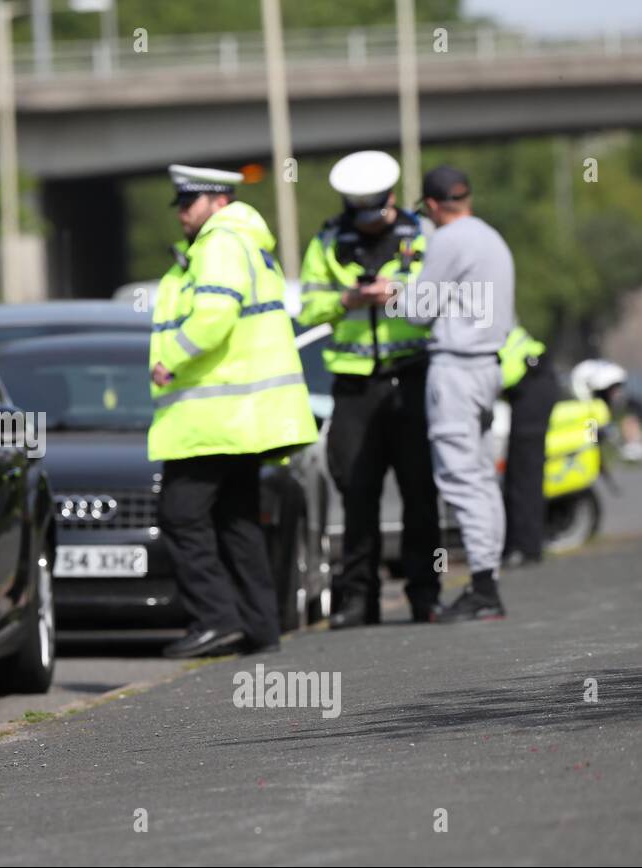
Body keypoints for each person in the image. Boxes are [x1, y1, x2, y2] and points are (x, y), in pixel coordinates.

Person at [150, 164, 317, 659]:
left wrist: (170, 358)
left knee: (180, 515)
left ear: (217, 201)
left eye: (189, 203)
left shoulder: (220, 242)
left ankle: (216, 620)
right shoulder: (248, 241)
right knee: (237, 522)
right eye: (179, 204)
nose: (182, 213)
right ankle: (260, 627)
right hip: (240, 419)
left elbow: (215, 316)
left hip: (213, 419)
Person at [298, 150, 440, 627]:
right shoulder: (326, 241)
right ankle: (358, 600)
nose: (367, 224)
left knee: (419, 490)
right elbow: (308, 307)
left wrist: (397, 294)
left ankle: (426, 595)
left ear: (392, 199)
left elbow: (448, 295)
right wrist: (348, 298)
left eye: (374, 213)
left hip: (411, 377)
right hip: (354, 388)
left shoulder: (423, 235)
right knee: (357, 492)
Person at [403, 164, 515, 621]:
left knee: (459, 478)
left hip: (456, 368)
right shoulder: (491, 237)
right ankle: (488, 580)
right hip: (487, 366)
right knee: (482, 478)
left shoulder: (448, 240)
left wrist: (393, 288)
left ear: (432, 205)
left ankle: (484, 589)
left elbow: (415, 310)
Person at [499, 326, 558, 567]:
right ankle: (523, 545)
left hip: (532, 386)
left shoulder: (477, 328)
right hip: (532, 383)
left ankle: (527, 547)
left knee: (525, 473)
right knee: (519, 471)